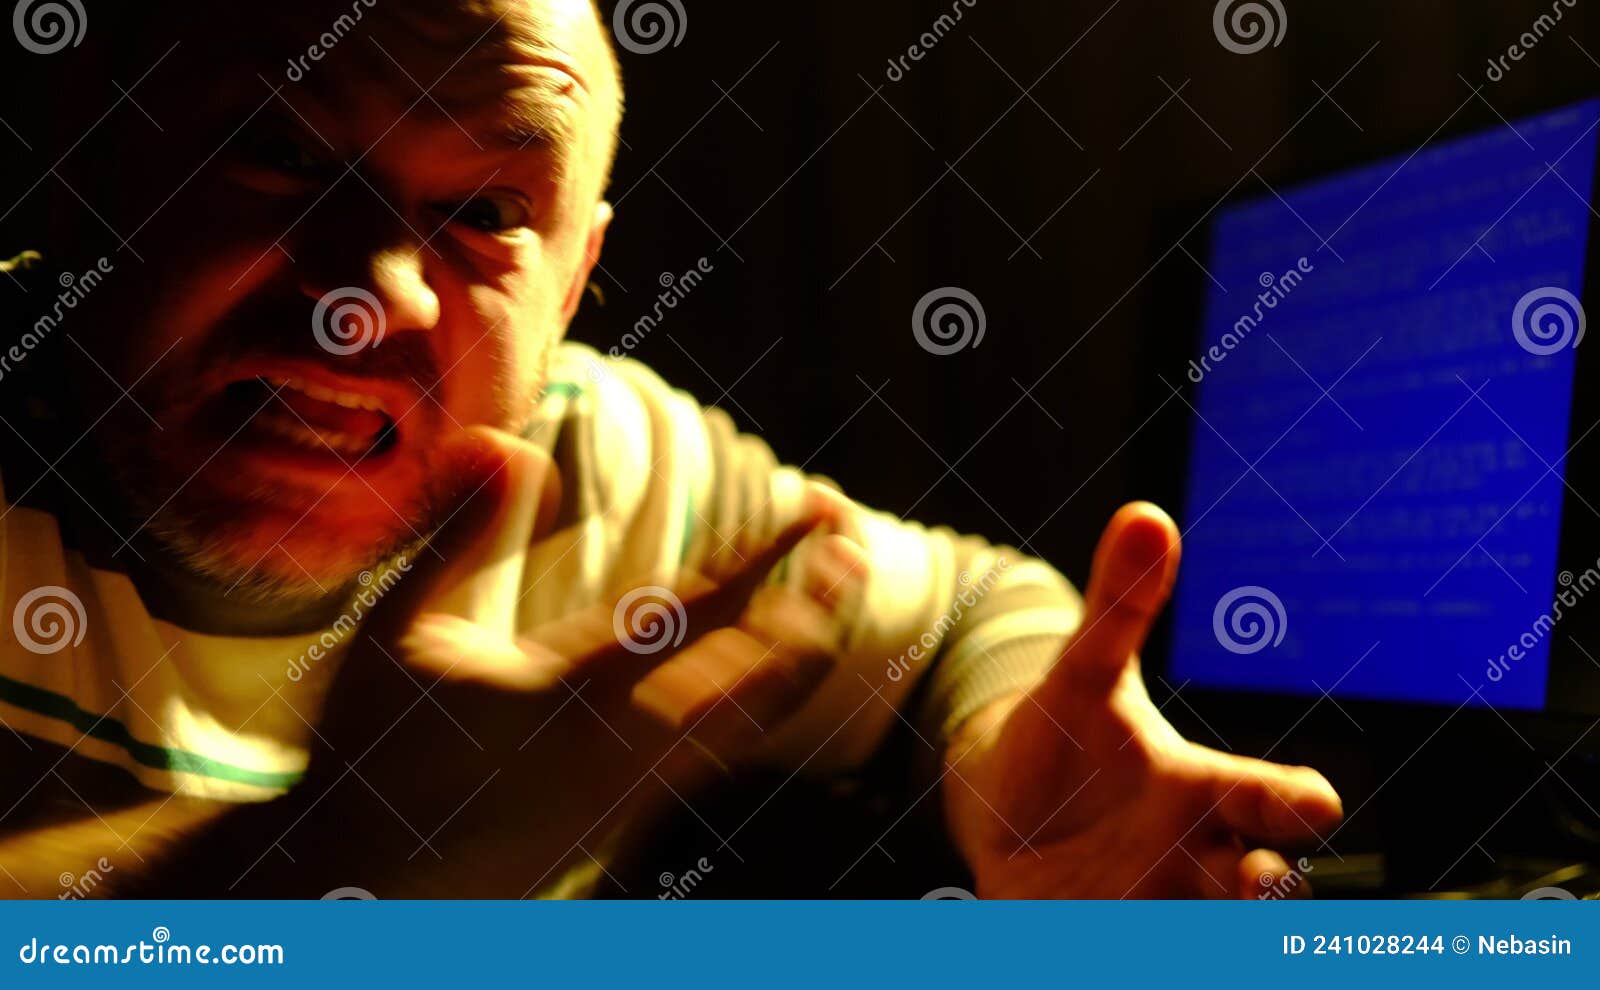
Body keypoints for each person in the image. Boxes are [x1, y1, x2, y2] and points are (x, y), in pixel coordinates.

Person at [0, 0, 1341, 898]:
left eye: (484, 210)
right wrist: (314, 863)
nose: (376, 292)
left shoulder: (604, 459)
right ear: (88, 164)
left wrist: (1009, 747)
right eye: (278, 151)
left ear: (578, 280)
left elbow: (967, 608)